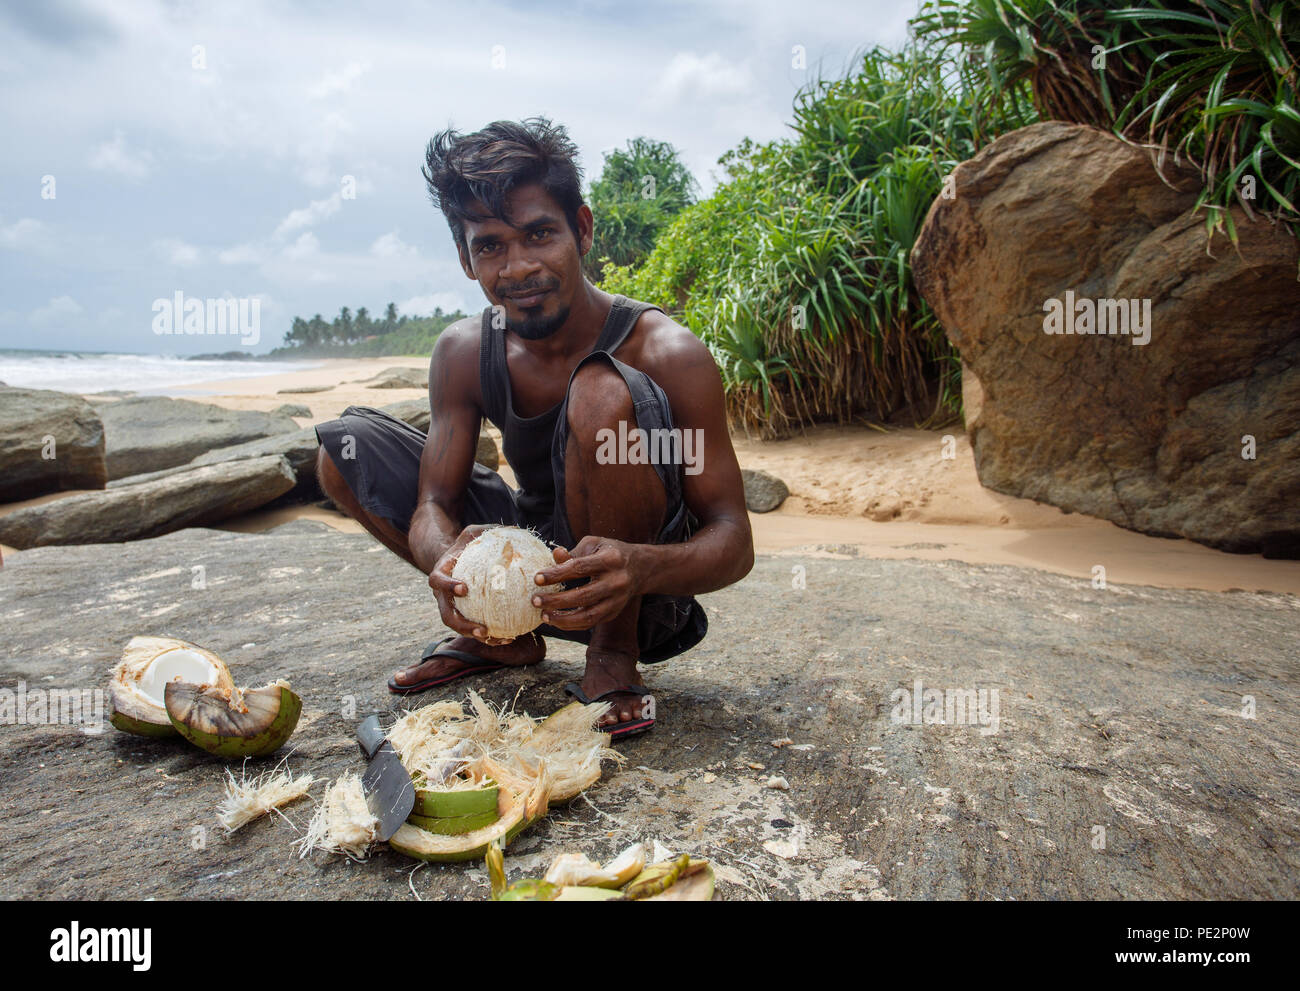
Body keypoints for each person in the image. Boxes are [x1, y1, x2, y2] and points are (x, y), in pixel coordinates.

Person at [315, 117, 753, 739]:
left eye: (539, 234)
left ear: (582, 229)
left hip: (636, 586)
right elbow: (433, 504)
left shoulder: (666, 352)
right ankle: (502, 636)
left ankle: (612, 657)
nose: (517, 267)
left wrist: (641, 567)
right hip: (530, 568)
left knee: (599, 392)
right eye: (490, 245)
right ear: (466, 259)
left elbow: (734, 537)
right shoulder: (465, 351)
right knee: (342, 452)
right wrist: (452, 568)